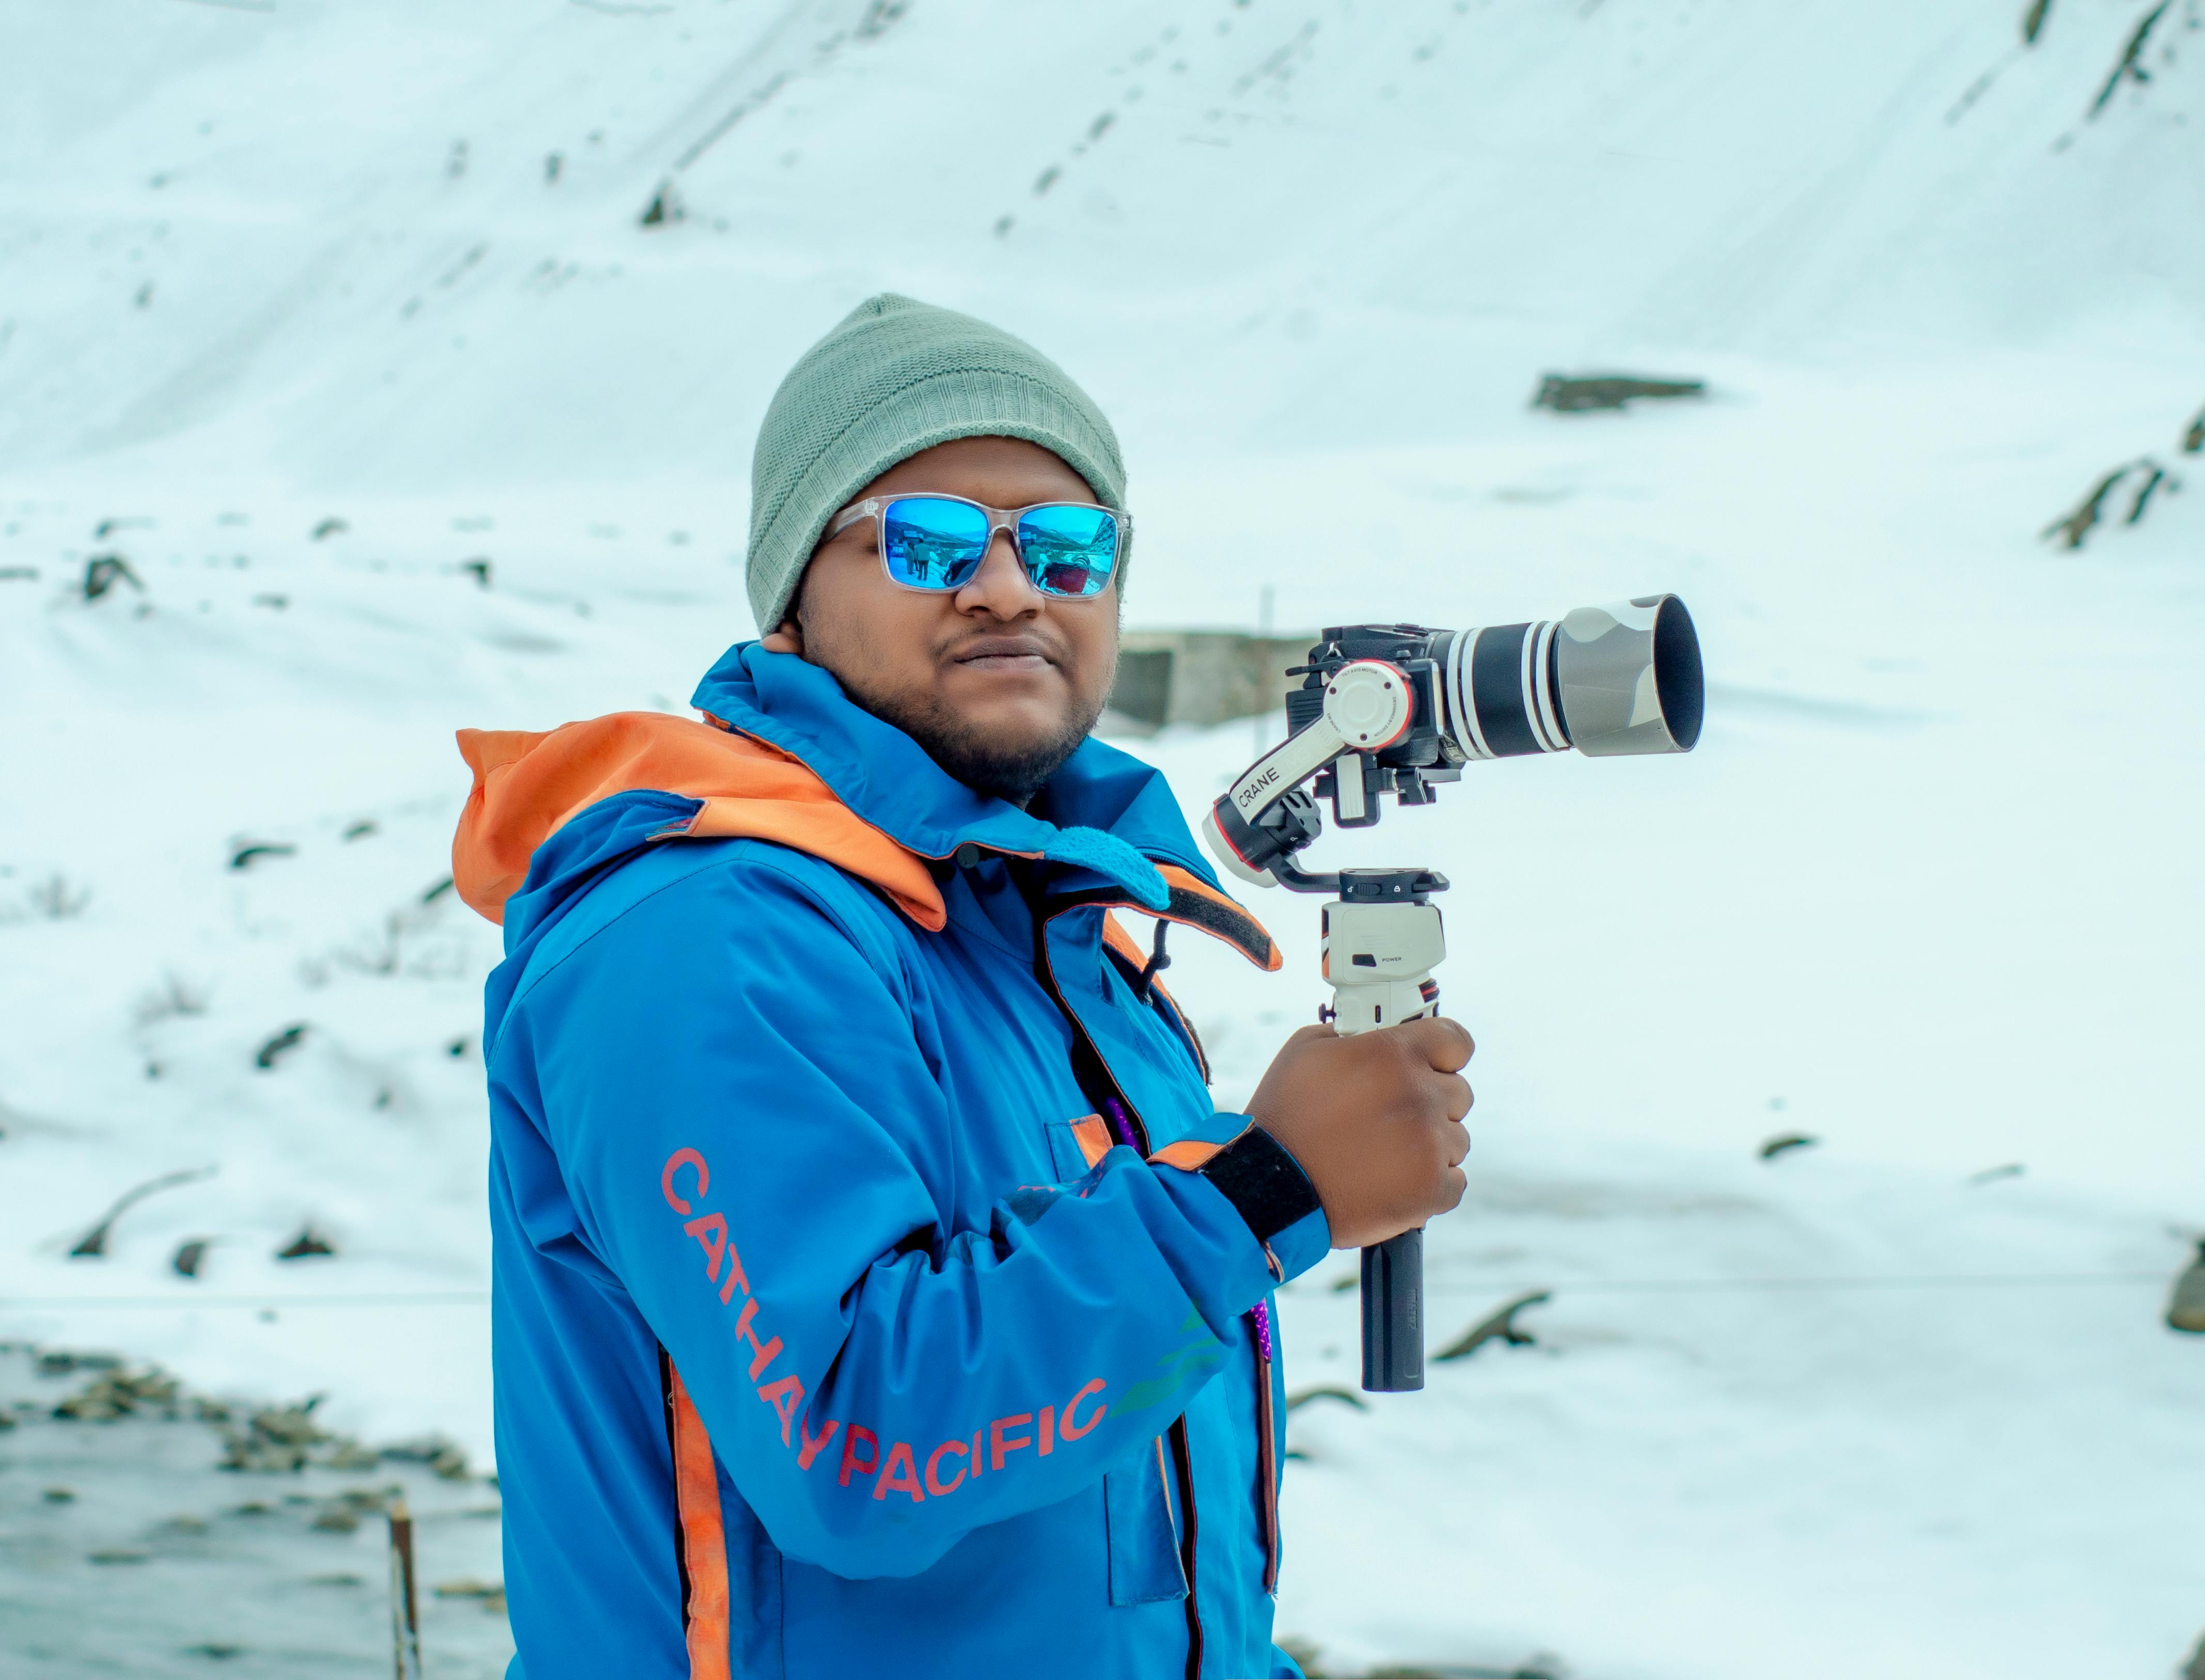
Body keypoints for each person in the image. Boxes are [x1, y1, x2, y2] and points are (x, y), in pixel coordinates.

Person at [450, 294, 1475, 1680]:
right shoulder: (706, 931)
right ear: (797, 597)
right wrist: (1269, 1191)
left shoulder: (1048, 940)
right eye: (929, 539)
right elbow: (856, 1445)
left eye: (1066, 544)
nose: (1009, 588)